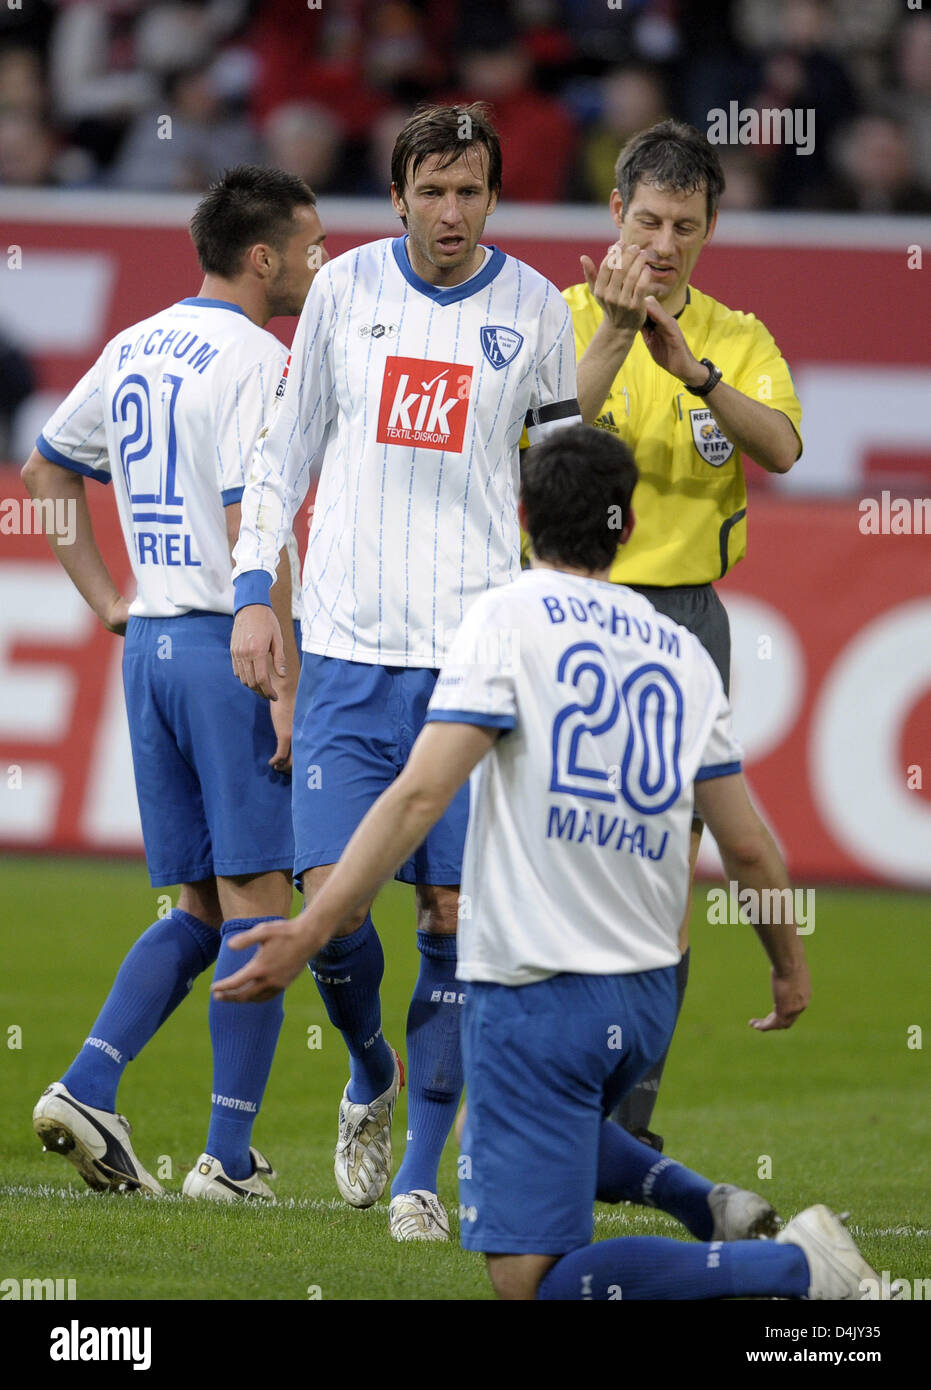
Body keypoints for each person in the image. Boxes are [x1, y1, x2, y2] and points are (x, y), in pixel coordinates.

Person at [213, 424, 882, 1303]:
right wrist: (788, 970)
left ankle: (794, 1270)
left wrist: (309, 927)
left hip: (539, 988)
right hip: (643, 997)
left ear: (521, 518)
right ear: (628, 526)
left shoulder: (504, 617)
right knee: (550, 1113)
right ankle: (701, 1203)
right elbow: (747, 845)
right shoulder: (680, 653)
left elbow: (418, 798)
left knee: (526, 1277)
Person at [229, 102, 580, 1241]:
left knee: (450, 909)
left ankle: (425, 1172)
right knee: (330, 911)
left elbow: (562, 486)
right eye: (431, 190)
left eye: (470, 190)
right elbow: (281, 458)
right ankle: (371, 1069)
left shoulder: (534, 309)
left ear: (492, 196)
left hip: (475, 659)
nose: (450, 211)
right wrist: (252, 597)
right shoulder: (342, 294)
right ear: (396, 197)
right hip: (342, 648)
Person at [23, 165, 327, 1201]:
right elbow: (262, 519)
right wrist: (282, 675)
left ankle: (88, 1084)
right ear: (262, 257)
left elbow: (44, 472)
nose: (318, 261)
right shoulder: (260, 359)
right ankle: (227, 1160)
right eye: (309, 245)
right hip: (224, 648)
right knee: (257, 904)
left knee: (197, 902)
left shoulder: (136, 340)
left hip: (148, 646)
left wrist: (108, 599)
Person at [566, 118, 803, 1148]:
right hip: (566, 608)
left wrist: (698, 372)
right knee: (544, 857)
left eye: (686, 226)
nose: (664, 244)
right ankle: (533, 1105)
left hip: (683, 621)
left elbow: (784, 447)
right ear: (615, 213)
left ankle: (629, 1119)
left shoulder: (737, 336)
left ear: (709, 229)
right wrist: (620, 337)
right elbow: (535, 436)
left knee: (665, 873)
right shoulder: (560, 315)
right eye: (650, 220)